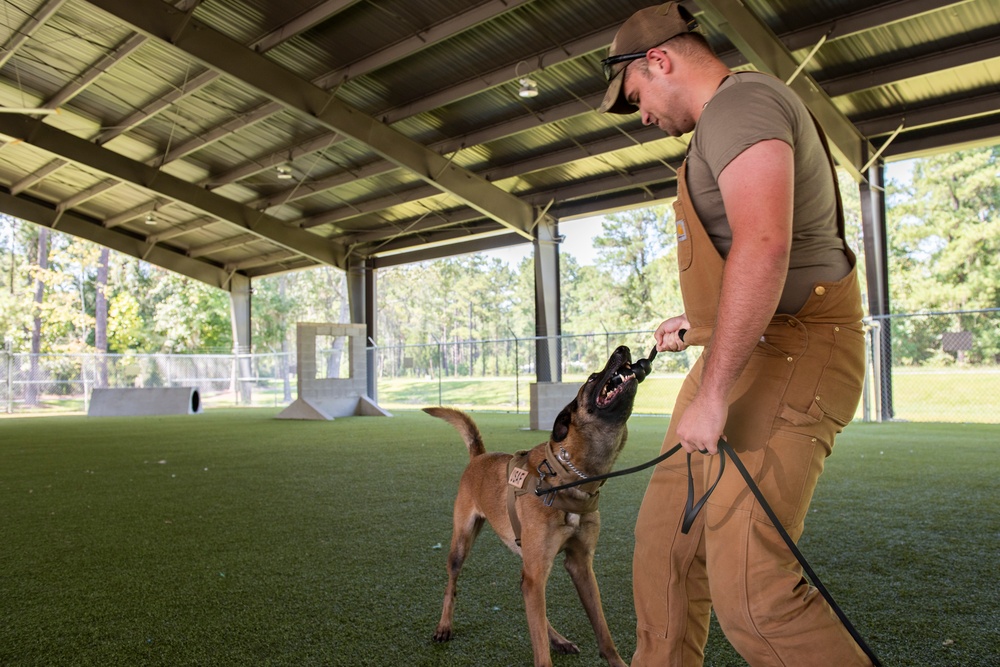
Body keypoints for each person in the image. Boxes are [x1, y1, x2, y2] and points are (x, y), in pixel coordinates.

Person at [598, 3, 872, 666]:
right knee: (665, 550)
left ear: (659, 60)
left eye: (635, 96)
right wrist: (706, 325)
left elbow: (768, 241)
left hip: (800, 345)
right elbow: (762, 251)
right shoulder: (722, 124)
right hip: (746, 346)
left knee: (753, 594)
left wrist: (713, 391)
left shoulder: (740, 106)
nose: (641, 115)